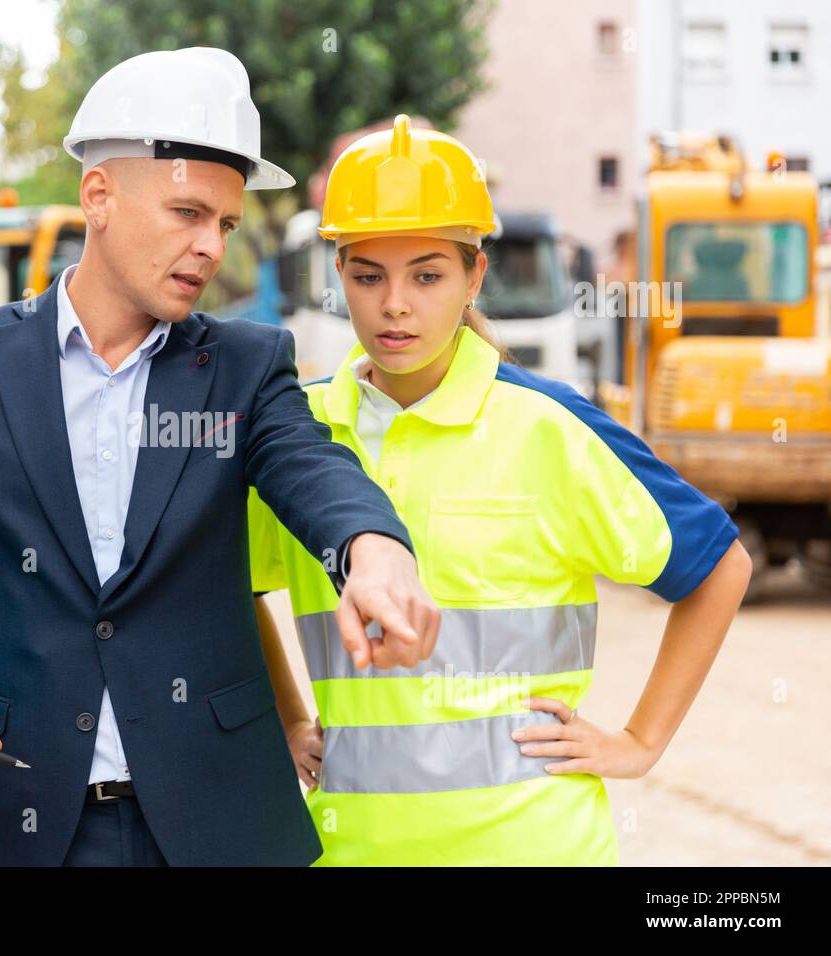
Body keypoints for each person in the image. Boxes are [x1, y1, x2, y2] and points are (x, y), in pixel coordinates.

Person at [0, 52, 440, 867]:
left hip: (221, 823)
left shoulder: (247, 367)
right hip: (19, 816)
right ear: (98, 195)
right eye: (187, 212)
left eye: (225, 223)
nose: (209, 246)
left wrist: (373, 551)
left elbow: (312, 467)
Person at [248, 115, 752, 865]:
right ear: (337, 275)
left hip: (535, 848)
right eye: (366, 275)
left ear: (474, 276)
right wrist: (291, 716)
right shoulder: (302, 435)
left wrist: (640, 741)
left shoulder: (549, 427)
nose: (394, 305)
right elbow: (234, 585)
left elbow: (718, 564)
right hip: (352, 850)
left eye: (427, 275)